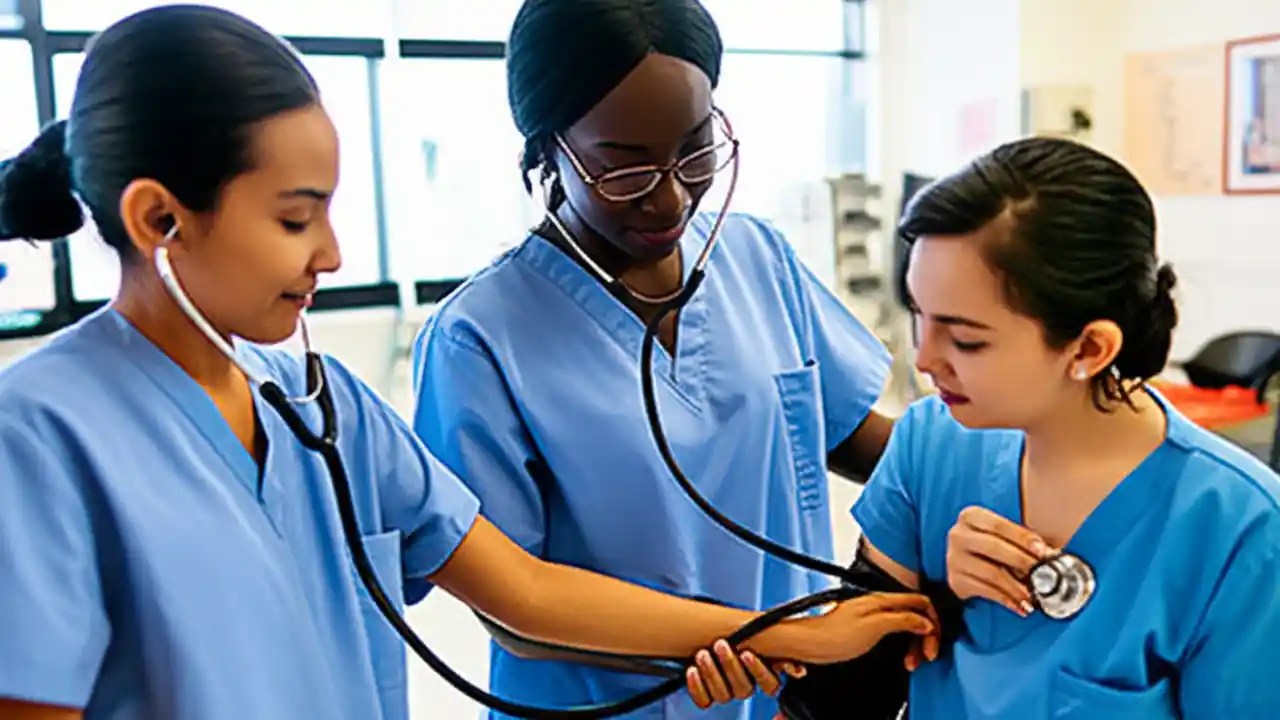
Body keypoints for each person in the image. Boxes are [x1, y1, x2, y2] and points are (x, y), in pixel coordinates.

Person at [0, 6, 945, 720]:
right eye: (296, 218)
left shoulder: (328, 408)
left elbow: (517, 582)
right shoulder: (40, 439)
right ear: (158, 220)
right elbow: (522, 613)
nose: (331, 254)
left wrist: (785, 632)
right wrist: (767, 634)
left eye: (330, 210)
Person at [410, 1, 900, 717]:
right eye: (624, 168)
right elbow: (512, 607)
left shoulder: (756, 259)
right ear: (548, 148)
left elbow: (858, 438)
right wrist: (753, 639)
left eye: (695, 149)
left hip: (778, 697)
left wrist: (1012, 476)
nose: (671, 197)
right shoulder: (479, 338)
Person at [851, 136, 1280, 718]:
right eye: (918, 317)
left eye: (966, 338)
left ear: (1089, 347)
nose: (925, 359)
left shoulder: (1240, 529)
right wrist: (936, 593)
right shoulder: (931, 443)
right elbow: (853, 679)